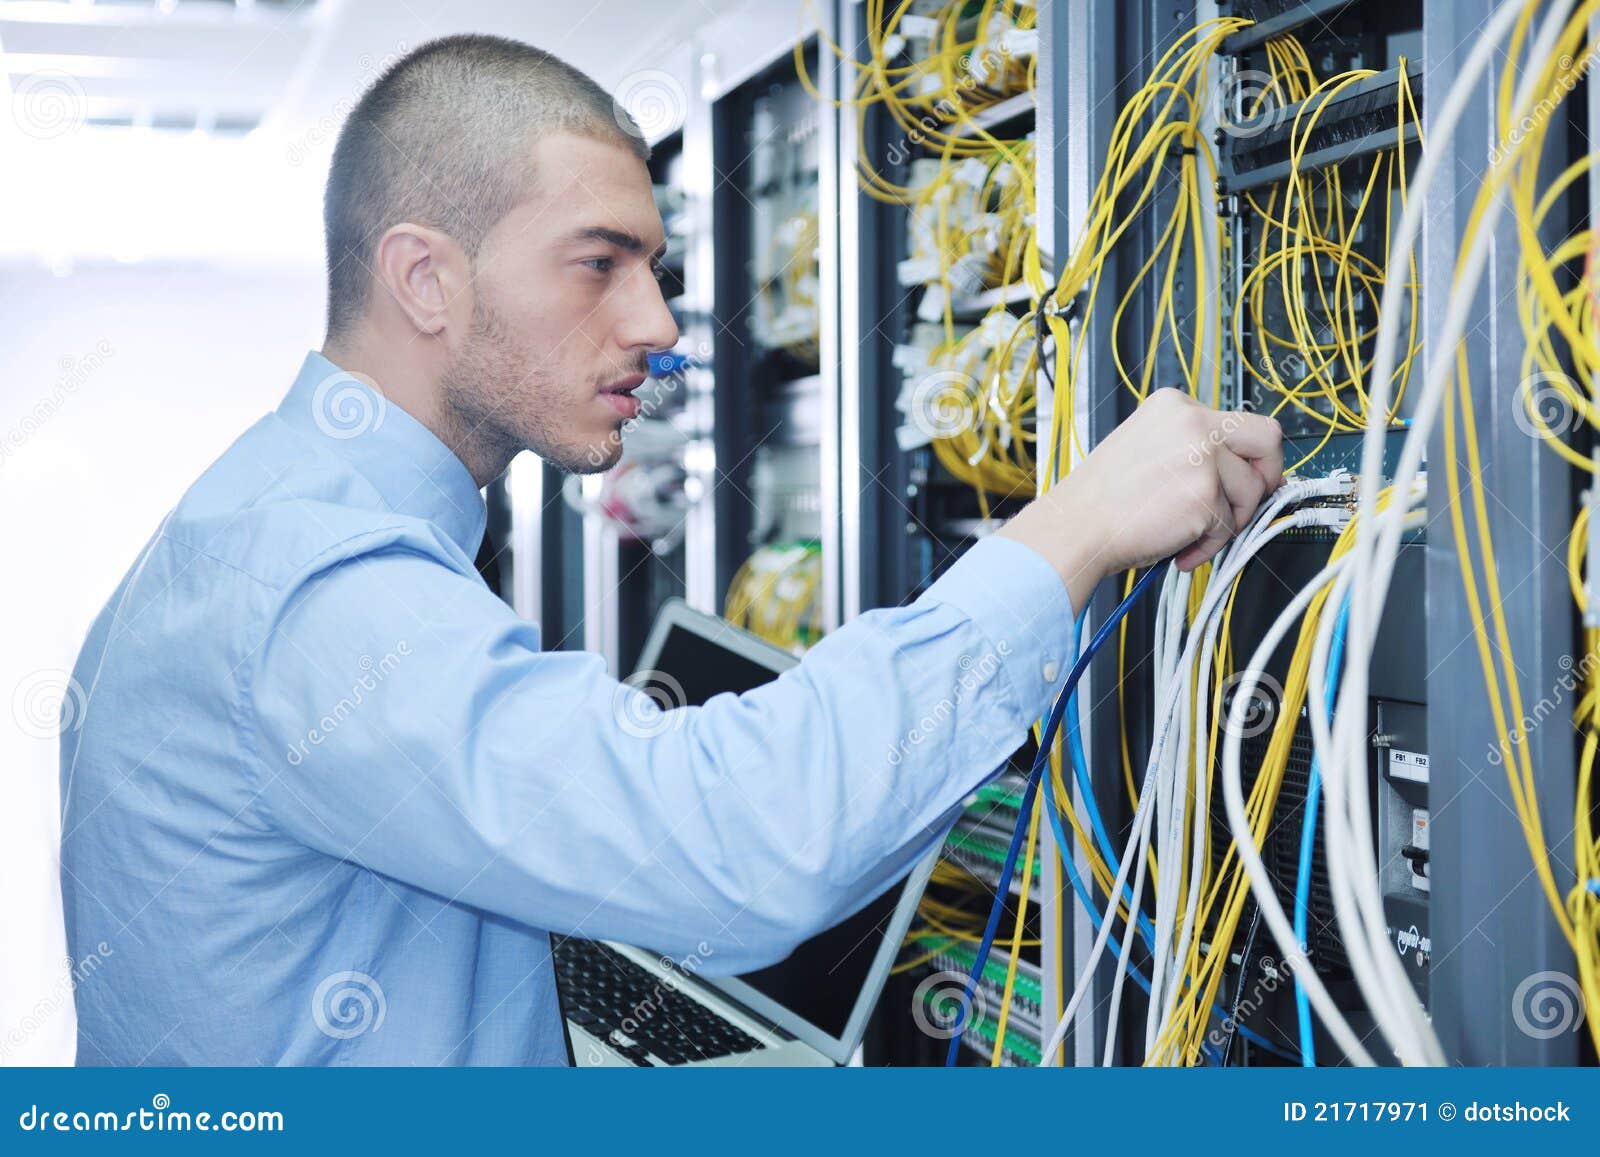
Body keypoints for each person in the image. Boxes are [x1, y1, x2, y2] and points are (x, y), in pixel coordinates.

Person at [58, 35, 1281, 1065]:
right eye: (599, 262)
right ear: (425, 279)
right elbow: (739, 843)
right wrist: (1071, 526)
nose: (656, 323)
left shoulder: (270, 523)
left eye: (655, 265)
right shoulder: (316, 592)